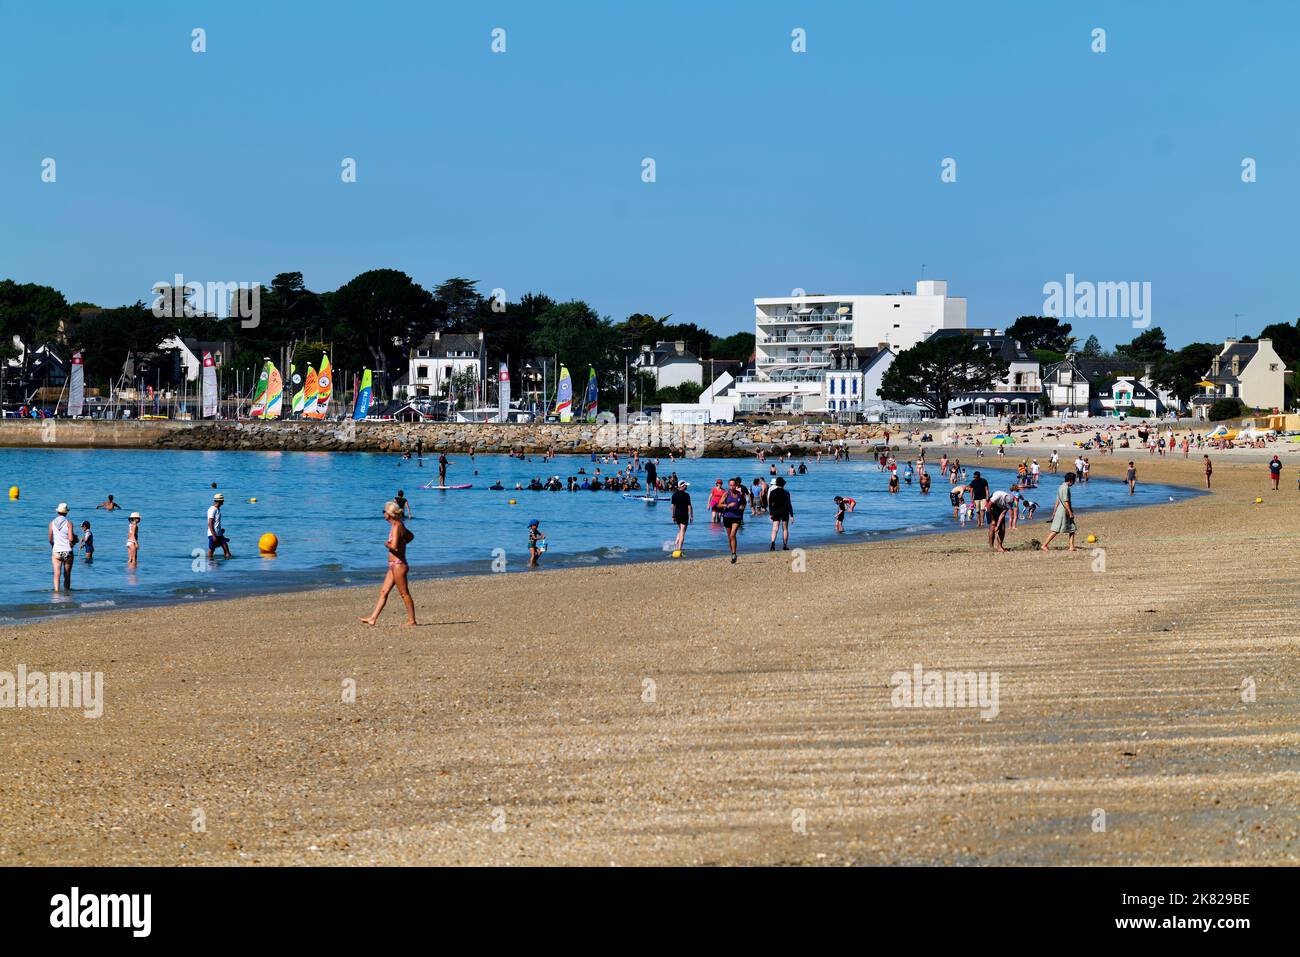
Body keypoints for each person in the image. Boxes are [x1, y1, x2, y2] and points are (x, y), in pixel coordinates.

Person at [360, 501, 417, 626]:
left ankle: (412, 620)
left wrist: (387, 544)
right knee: (383, 592)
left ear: (389, 514)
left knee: (404, 593)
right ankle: (373, 618)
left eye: (384, 511)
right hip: (393, 565)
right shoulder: (397, 525)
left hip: (398, 565)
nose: (383, 514)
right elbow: (411, 536)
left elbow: (394, 546)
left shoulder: (397, 526)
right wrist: (403, 543)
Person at [1041, 473, 1078, 552]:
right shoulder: (1065, 488)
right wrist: (1070, 512)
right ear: (1071, 480)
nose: (1074, 482)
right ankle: (1044, 545)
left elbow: (1057, 501)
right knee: (1056, 530)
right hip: (1063, 511)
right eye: (1074, 480)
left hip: (1060, 510)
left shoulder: (1060, 487)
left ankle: (1071, 546)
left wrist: (1054, 511)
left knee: (1072, 528)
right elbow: (1066, 502)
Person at [49, 502, 76, 592]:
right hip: (67, 551)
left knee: (57, 574)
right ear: (66, 512)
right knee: (67, 574)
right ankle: (66, 594)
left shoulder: (52, 523)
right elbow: (71, 539)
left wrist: (53, 546)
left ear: (58, 512)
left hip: (56, 551)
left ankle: (56, 593)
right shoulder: (69, 523)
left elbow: (50, 539)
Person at [719, 478, 745, 563]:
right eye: (730, 485)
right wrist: (727, 505)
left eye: (733, 485)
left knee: (733, 535)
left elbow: (744, 503)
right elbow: (719, 505)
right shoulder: (726, 494)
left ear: (736, 485)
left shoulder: (740, 494)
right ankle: (733, 554)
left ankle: (734, 553)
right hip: (727, 517)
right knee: (729, 537)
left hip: (737, 517)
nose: (732, 487)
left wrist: (742, 507)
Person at [767, 476, 793, 550]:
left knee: (775, 528)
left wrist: (771, 513)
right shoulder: (786, 493)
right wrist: (792, 515)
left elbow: (770, 504)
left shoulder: (772, 492)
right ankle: (785, 545)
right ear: (783, 484)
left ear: (776, 484)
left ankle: (772, 543)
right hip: (785, 511)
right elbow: (789, 504)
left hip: (775, 511)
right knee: (785, 529)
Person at [207, 493, 232, 559]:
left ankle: (229, 563)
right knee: (212, 550)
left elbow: (216, 523)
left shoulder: (217, 509)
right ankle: (210, 563)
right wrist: (214, 535)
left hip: (218, 534)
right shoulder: (212, 509)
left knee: (225, 548)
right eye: (222, 500)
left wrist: (220, 531)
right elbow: (210, 523)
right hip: (213, 534)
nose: (223, 501)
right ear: (219, 501)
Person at [670, 482, 693, 553]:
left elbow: (673, 507)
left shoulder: (674, 495)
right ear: (682, 486)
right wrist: (691, 515)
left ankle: (675, 543)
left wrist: (673, 516)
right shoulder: (686, 495)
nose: (686, 486)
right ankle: (679, 549)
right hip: (684, 515)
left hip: (677, 515)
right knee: (683, 532)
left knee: (680, 530)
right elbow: (689, 506)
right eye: (685, 485)